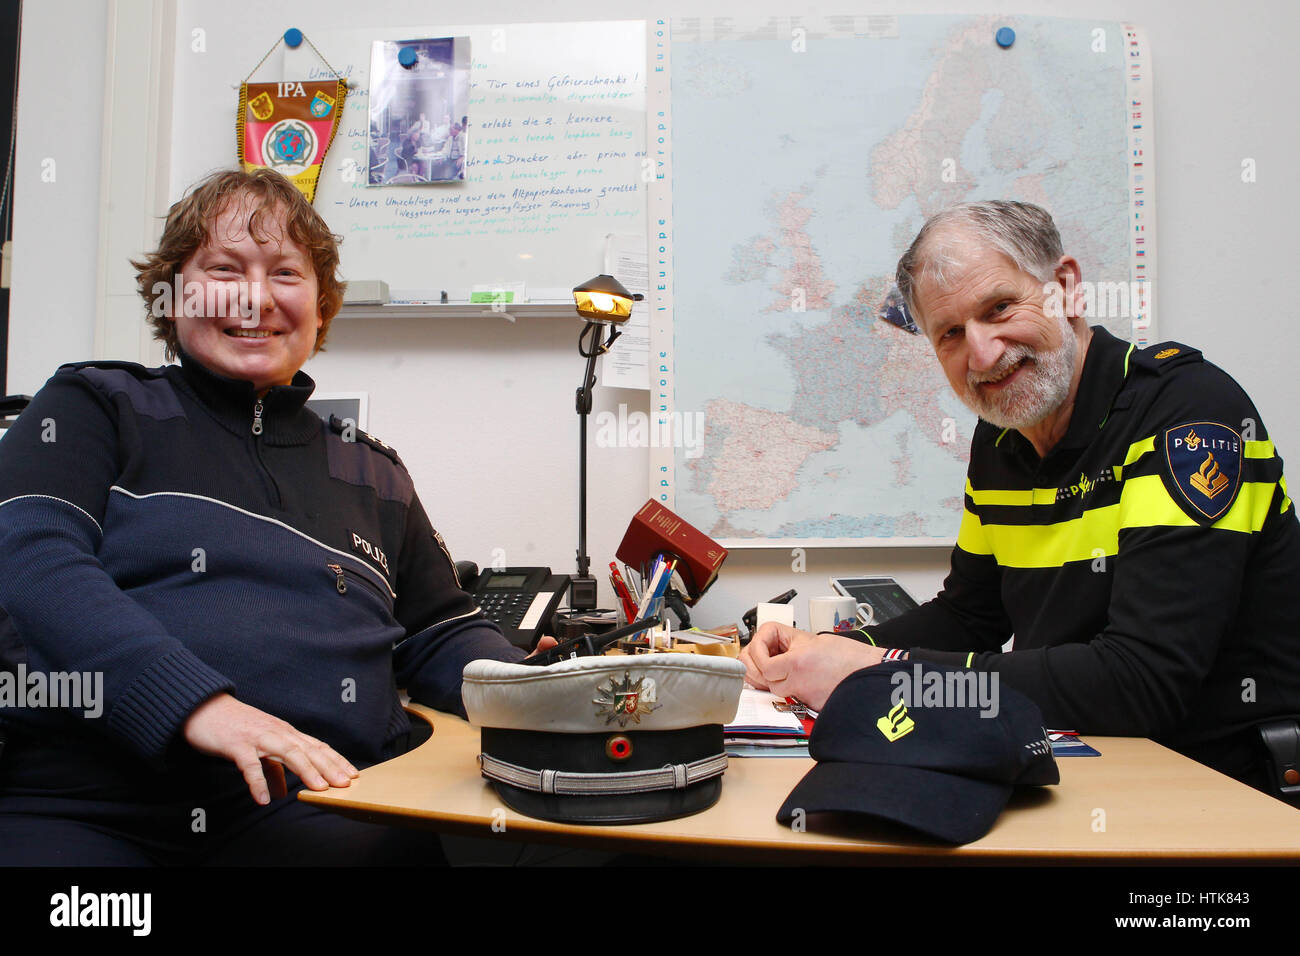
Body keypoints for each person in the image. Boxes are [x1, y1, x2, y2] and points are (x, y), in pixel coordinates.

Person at [0, 167, 549, 864]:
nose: (256, 298)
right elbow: (30, 557)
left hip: (312, 802)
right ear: (170, 296)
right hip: (91, 803)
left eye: (286, 274)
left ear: (321, 309)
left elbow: (441, 632)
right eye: (225, 269)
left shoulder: (371, 470)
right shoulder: (94, 405)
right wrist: (197, 706)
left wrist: (530, 694)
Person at [742, 200, 1300, 803]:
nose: (982, 355)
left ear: (1064, 289)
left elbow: (1144, 682)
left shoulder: (1187, 414)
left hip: (1226, 787)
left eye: (1000, 308)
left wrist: (885, 674)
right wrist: (837, 650)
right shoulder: (1001, 437)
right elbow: (969, 616)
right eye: (950, 334)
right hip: (1085, 770)